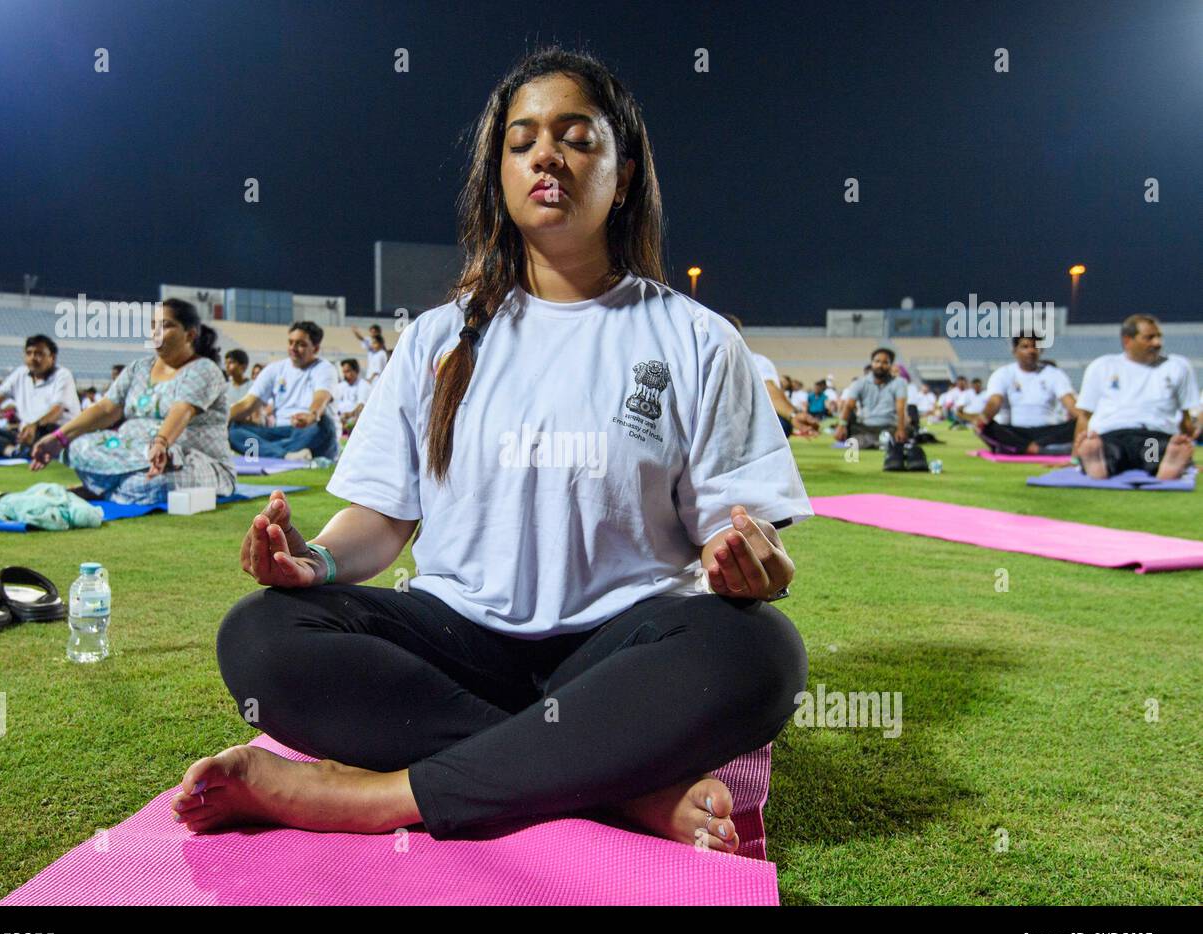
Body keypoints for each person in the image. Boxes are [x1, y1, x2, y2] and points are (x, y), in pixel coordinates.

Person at [174, 48, 811, 854]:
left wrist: (762, 569)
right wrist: (316, 564)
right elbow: (379, 519)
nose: (546, 154)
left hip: (620, 650)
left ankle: (375, 798)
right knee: (261, 637)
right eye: (522, 141)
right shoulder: (438, 339)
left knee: (759, 654)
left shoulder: (695, 339)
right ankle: (620, 790)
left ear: (625, 169)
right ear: (499, 175)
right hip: (456, 643)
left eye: (577, 136)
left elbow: (746, 539)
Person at [30, 299, 237, 503]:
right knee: (78, 446)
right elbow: (105, 408)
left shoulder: (204, 369)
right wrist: (59, 438)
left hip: (191, 461)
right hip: (138, 455)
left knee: (157, 483)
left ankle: (103, 487)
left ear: (190, 334)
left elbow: (182, 410)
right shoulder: (139, 368)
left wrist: (161, 443)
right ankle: (118, 486)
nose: (156, 332)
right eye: (153, 325)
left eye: (165, 325)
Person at [1072, 313, 1198, 480]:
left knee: (1155, 454)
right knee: (1108, 452)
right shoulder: (1102, 366)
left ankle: (1168, 465)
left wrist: (1186, 446)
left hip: (1153, 436)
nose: (1157, 343)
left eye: (1159, 337)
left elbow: (1185, 417)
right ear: (1127, 340)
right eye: (1149, 337)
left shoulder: (1176, 366)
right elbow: (1085, 415)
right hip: (1112, 434)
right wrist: (1075, 456)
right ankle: (1096, 463)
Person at [228, 321, 339, 460]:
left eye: (300, 344)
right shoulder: (274, 369)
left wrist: (311, 416)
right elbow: (247, 404)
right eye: (291, 342)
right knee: (233, 430)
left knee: (324, 422)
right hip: (281, 431)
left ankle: (269, 450)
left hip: (310, 430)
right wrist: (220, 420)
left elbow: (321, 399)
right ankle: (285, 455)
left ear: (315, 349)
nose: (293, 348)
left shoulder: (325, 369)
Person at [976, 335, 1077, 454]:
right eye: (1025, 347)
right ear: (1015, 350)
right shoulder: (1003, 374)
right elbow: (995, 401)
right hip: (1015, 431)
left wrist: (1084, 419)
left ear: (1041, 350)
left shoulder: (1054, 374)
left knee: (1079, 423)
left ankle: (1028, 448)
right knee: (986, 426)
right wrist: (983, 417)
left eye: (1035, 347)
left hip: (1047, 432)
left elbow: (1070, 402)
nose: (1031, 351)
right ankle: (1037, 449)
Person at [834, 347, 908, 448]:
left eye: (885, 362)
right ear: (872, 362)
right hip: (864, 426)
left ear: (891, 365)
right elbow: (849, 406)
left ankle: (870, 441)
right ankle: (879, 442)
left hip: (889, 426)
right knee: (848, 424)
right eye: (877, 361)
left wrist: (901, 429)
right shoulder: (859, 383)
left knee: (907, 430)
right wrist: (841, 426)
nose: (880, 365)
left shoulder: (899, 383)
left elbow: (900, 408)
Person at [333, 358, 372, 436]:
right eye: (343, 372)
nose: (345, 374)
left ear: (356, 371)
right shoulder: (340, 386)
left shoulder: (364, 385)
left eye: (347, 371)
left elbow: (361, 405)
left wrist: (349, 415)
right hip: (339, 419)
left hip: (355, 420)